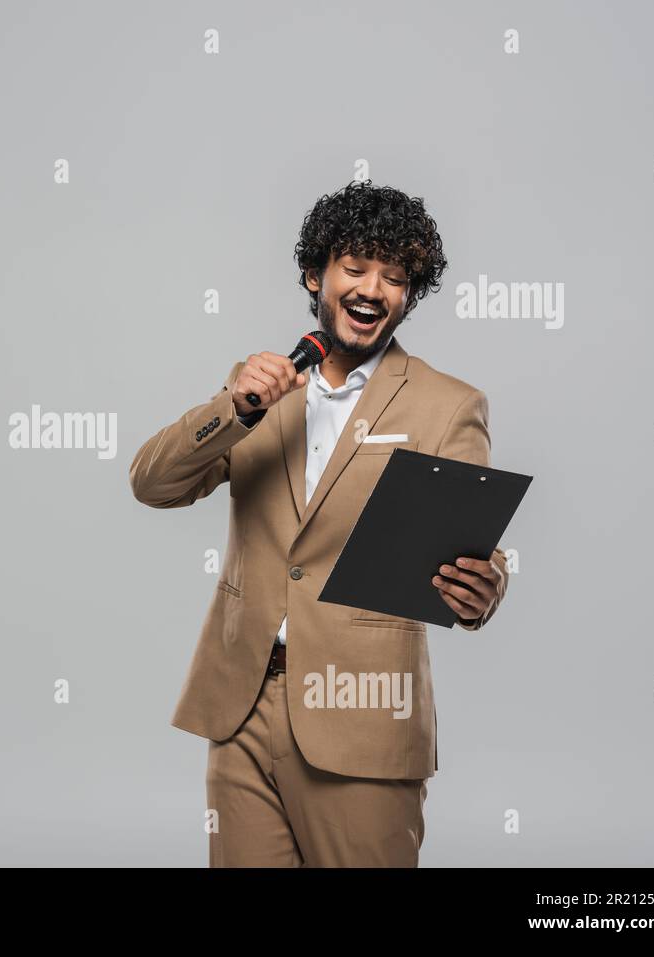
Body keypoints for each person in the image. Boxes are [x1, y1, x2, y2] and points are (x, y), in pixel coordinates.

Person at [128, 180, 510, 867]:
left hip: (363, 716)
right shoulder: (262, 386)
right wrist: (237, 406)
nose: (373, 288)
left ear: (409, 295)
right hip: (241, 706)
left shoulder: (448, 404)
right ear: (317, 275)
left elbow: (471, 541)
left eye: (396, 277)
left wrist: (487, 586)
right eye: (356, 267)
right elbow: (153, 484)